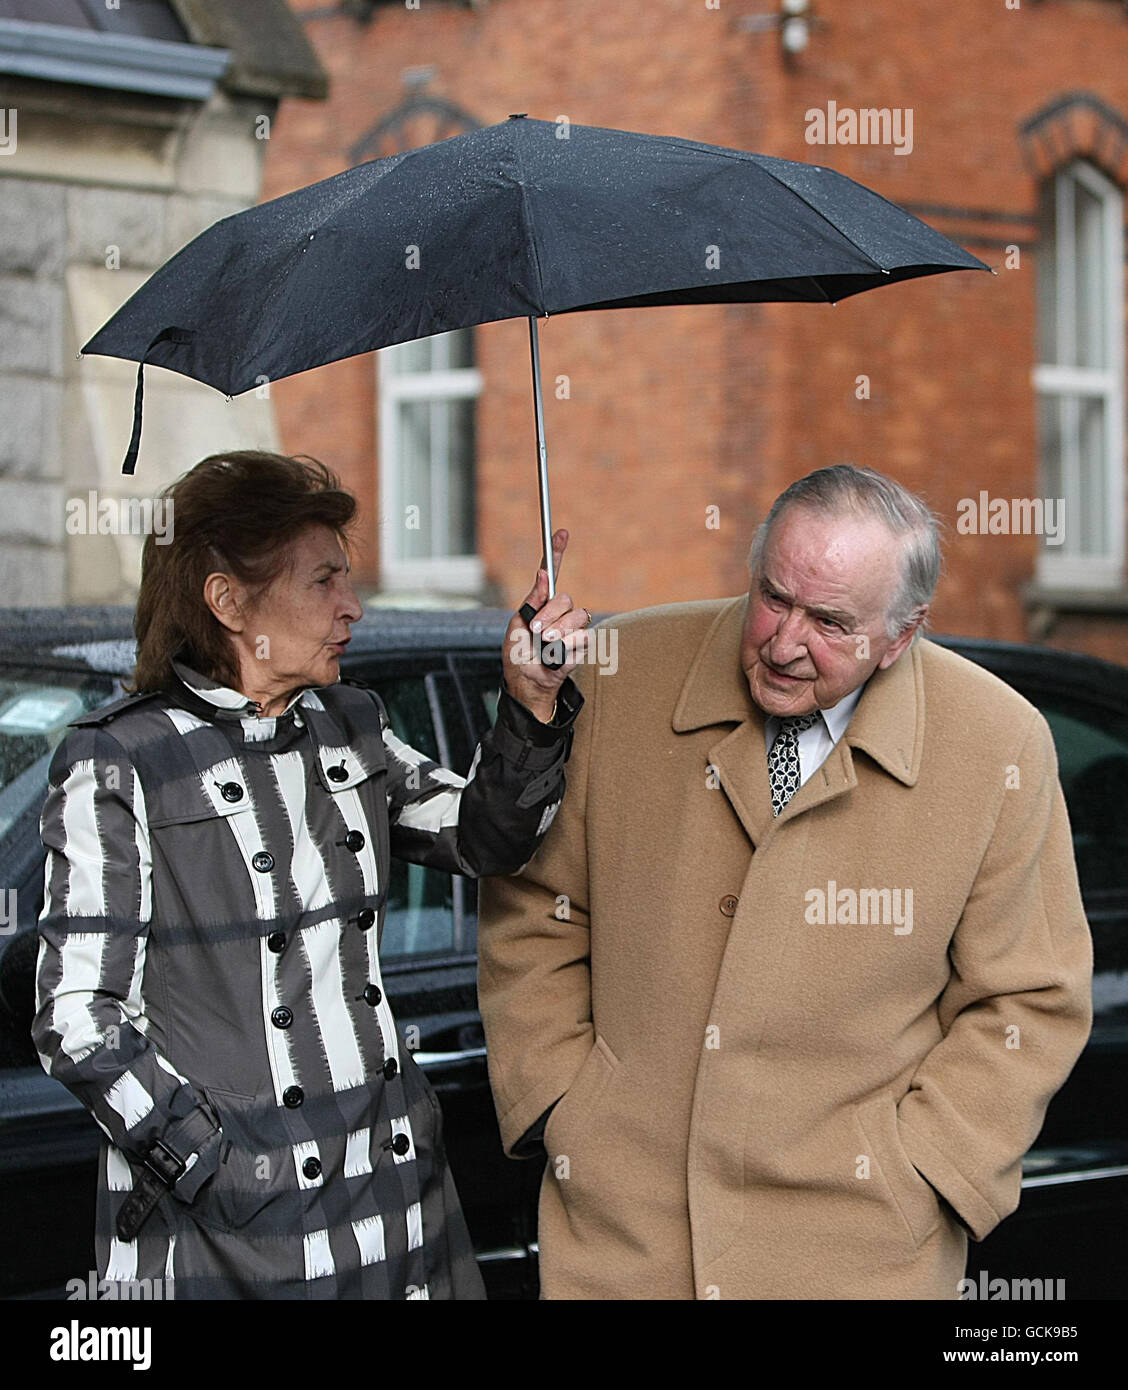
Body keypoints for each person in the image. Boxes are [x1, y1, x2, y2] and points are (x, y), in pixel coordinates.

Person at [477, 464, 1093, 1300]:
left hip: (860, 1254)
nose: (784, 641)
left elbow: (1031, 997)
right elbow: (533, 911)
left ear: (901, 635)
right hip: (624, 1239)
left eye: (831, 622)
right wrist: (562, 1102)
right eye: (775, 597)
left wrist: (929, 1169)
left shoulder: (1000, 744)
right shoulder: (618, 676)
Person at [32, 449, 589, 1300]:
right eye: (323, 581)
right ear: (227, 601)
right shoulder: (118, 759)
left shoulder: (351, 724)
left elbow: (484, 838)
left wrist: (530, 700)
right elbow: (77, 1016)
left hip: (393, 1192)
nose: (352, 608)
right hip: (224, 1232)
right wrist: (211, 1162)